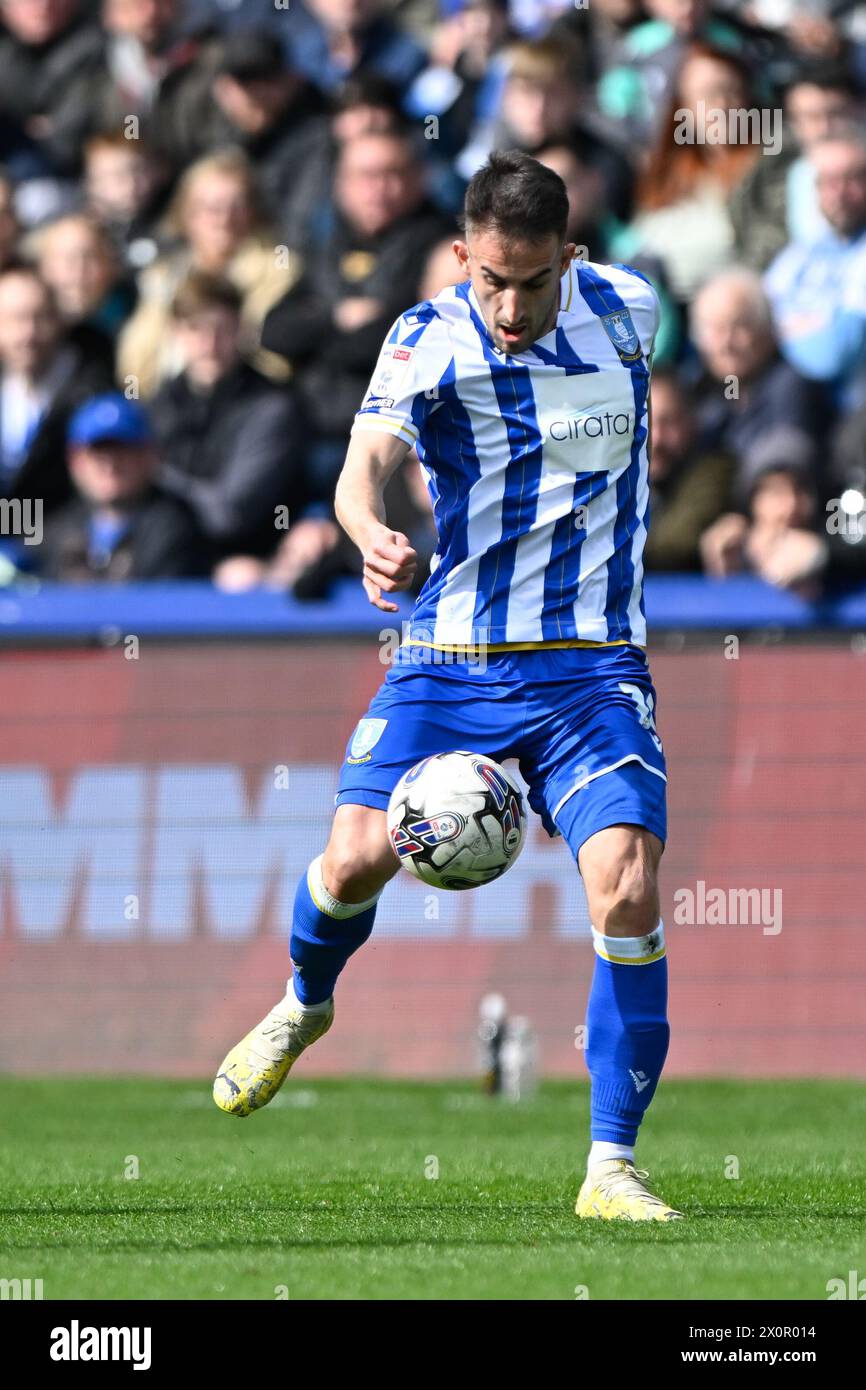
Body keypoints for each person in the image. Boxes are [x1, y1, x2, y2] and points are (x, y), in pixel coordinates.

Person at [213, 151, 683, 1224]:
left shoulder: (630, 310)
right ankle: (302, 1002)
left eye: (531, 281)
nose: (509, 306)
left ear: (570, 257)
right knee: (353, 856)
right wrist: (367, 528)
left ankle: (609, 1166)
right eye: (490, 280)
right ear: (462, 254)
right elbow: (361, 460)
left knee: (623, 883)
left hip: (590, 663)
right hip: (451, 654)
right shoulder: (425, 335)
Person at [149, 271, 309, 560]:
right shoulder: (158, 405)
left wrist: (151, 474)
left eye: (221, 328)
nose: (210, 344)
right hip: (167, 557)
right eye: (196, 329)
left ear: (241, 329)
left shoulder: (273, 407)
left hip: (250, 561)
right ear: (176, 333)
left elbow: (231, 515)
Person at [40, 391, 210, 581]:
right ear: (76, 462)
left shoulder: (177, 529)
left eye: (122, 451)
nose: (110, 466)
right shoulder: (57, 531)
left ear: (150, 455)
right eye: (98, 454)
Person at [764, 126, 866, 410]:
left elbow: (835, 352)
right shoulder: (796, 257)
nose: (840, 193)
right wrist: (825, 321)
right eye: (829, 181)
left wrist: (788, 329)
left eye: (853, 179)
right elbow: (760, 330)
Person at [0, 263, 114, 515]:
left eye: (39, 317)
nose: (27, 333)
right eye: (14, 320)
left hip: (60, 540)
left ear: (59, 319)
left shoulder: (97, 391)